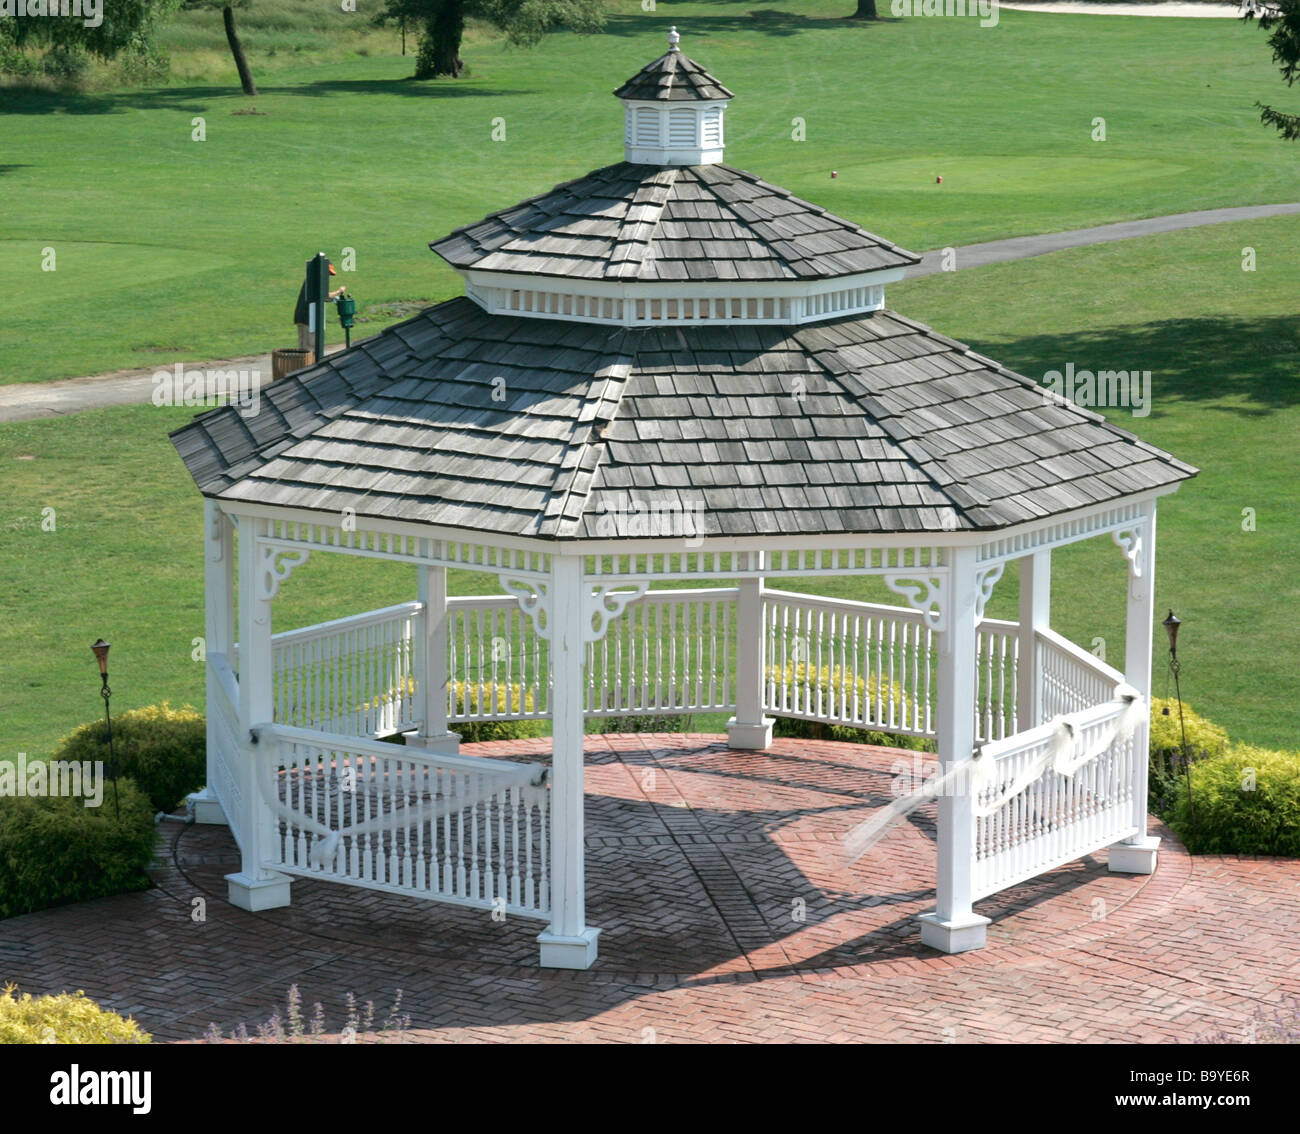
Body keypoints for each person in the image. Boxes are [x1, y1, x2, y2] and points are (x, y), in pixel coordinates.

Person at [293, 258, 346, 352]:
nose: (328, 276)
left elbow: (319, 296)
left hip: (300, 316)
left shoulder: (310, 278)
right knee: (311, 348)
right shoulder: (318, 280)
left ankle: (302, 366)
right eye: (328, 273)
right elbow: (324, 296)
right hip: (309, 318)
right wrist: (339, 291)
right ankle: (310, 366)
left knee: (302, 348)